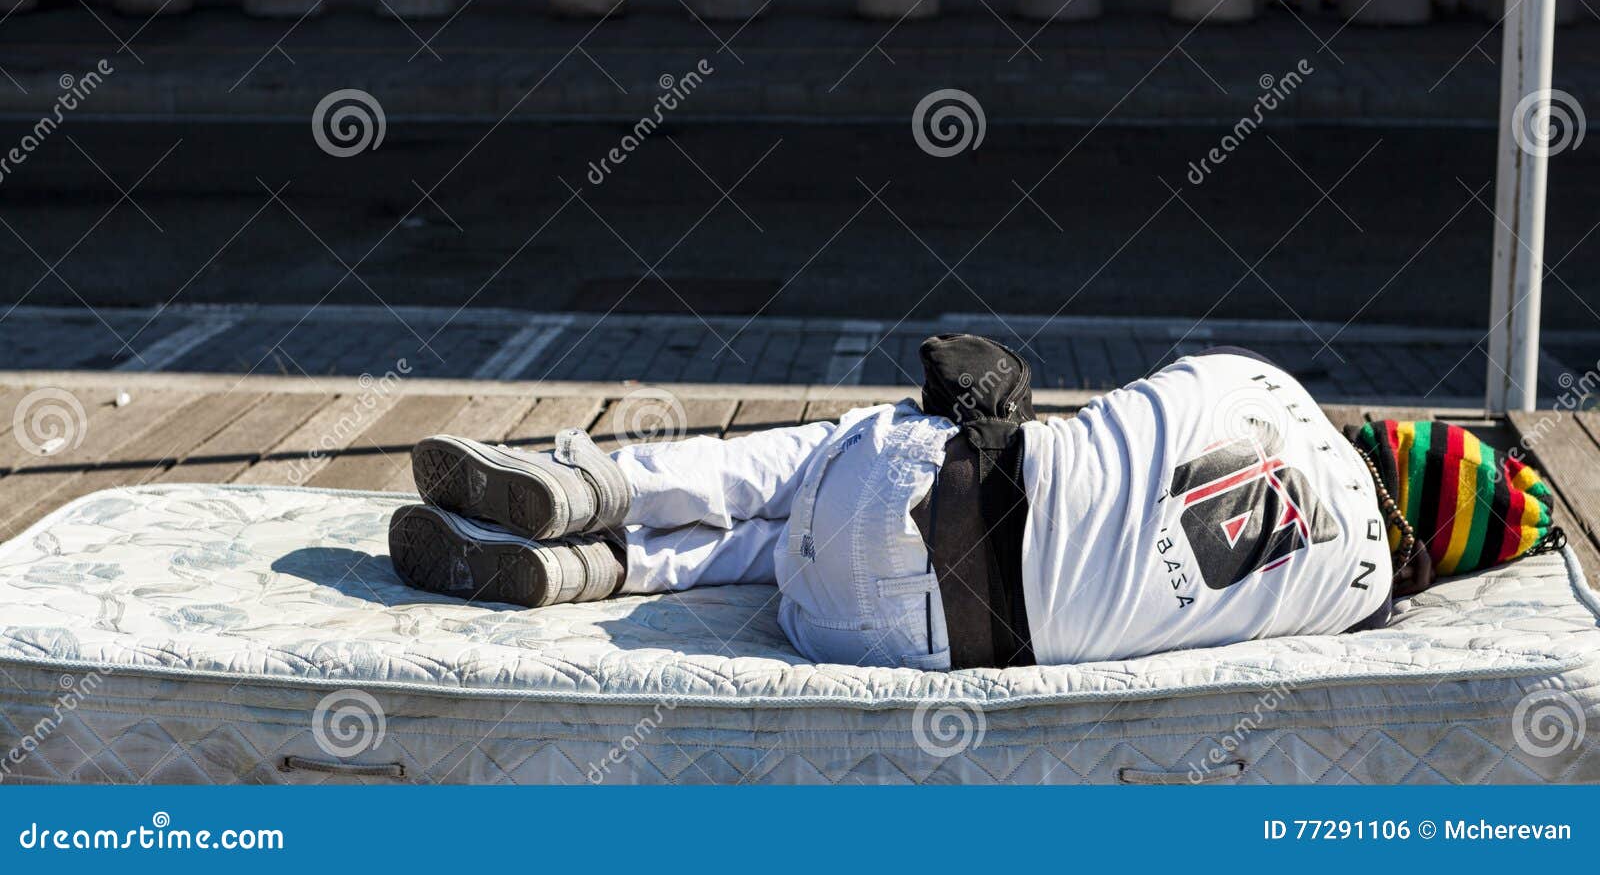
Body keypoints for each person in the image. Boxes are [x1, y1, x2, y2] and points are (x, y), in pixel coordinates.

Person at [387, 337, 1560, 670]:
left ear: (1389, 444)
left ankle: (599, 485)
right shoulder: (1354, 601)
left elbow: (1135, 414)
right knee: (807, 548)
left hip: (905, 495)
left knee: (832, 458)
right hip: (887, 637)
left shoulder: (1259, 384)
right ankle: (601, 569)